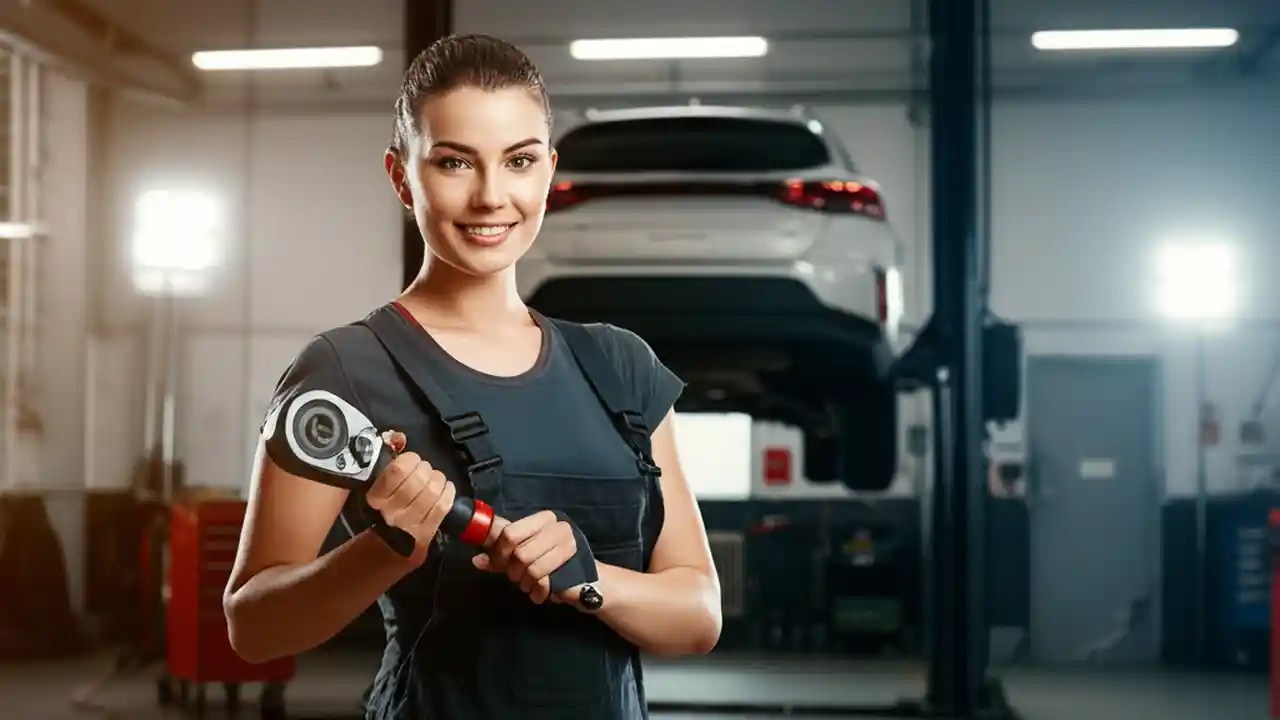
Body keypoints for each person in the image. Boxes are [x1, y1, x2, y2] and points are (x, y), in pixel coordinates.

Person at [222, 33, 722, 719]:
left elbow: (698, 615)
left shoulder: (621, 367)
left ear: (548, 171)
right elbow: (252, 628)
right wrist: (387, 547)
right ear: (403, 177)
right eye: (455, 162)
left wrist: (591, 581)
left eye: (518, 161)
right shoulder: (344, 370)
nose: (492, 196)